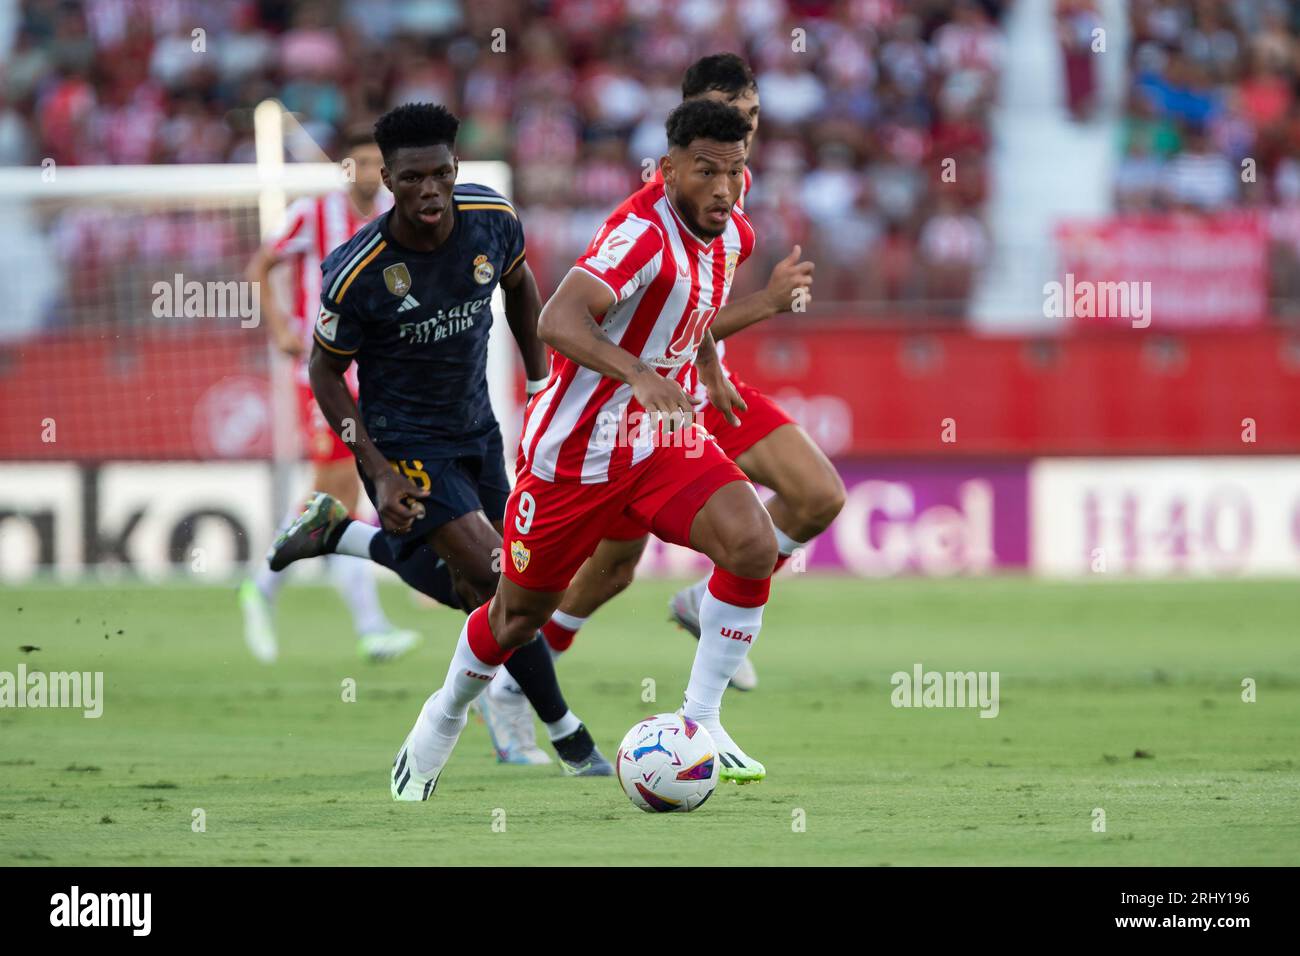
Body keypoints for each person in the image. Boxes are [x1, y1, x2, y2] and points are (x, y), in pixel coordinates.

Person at [389, 98, 777, 800]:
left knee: (752, 543)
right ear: (667, 171)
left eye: (736, 171)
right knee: (515, 616)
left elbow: (696, 311)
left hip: (658, 443)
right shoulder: (637, 234)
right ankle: (442, 715)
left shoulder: (733, 234)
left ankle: (702, 721)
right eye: (706, 171)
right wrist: (640, 374)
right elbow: (559, 318)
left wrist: (707, 369)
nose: (723, 187)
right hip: (575, 454)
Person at [268, 103, 609, 775]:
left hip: (476, 426)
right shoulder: (357, 269)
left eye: (441, 174)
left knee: (499, 586)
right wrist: (377, 469)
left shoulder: (494, 221)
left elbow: (520, 286)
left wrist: (541, 389)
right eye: (413, 178)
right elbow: (324, 371)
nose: (430, 191)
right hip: (402, 444)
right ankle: (567, 735)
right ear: (388, 181)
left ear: (456, 170)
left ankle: (344, 537)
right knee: (496, 580)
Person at [239, 126, 419, 664]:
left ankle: (283, 594)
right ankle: (278, 591)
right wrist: (277, 327)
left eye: (375, 165)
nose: (367, 174)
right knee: (336, 493)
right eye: (359, 164)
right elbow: (259, 266)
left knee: (343, 501)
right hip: (323, 376)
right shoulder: (311, 213)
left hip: (378, 376)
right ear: (346, 169)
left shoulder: (396, 219)